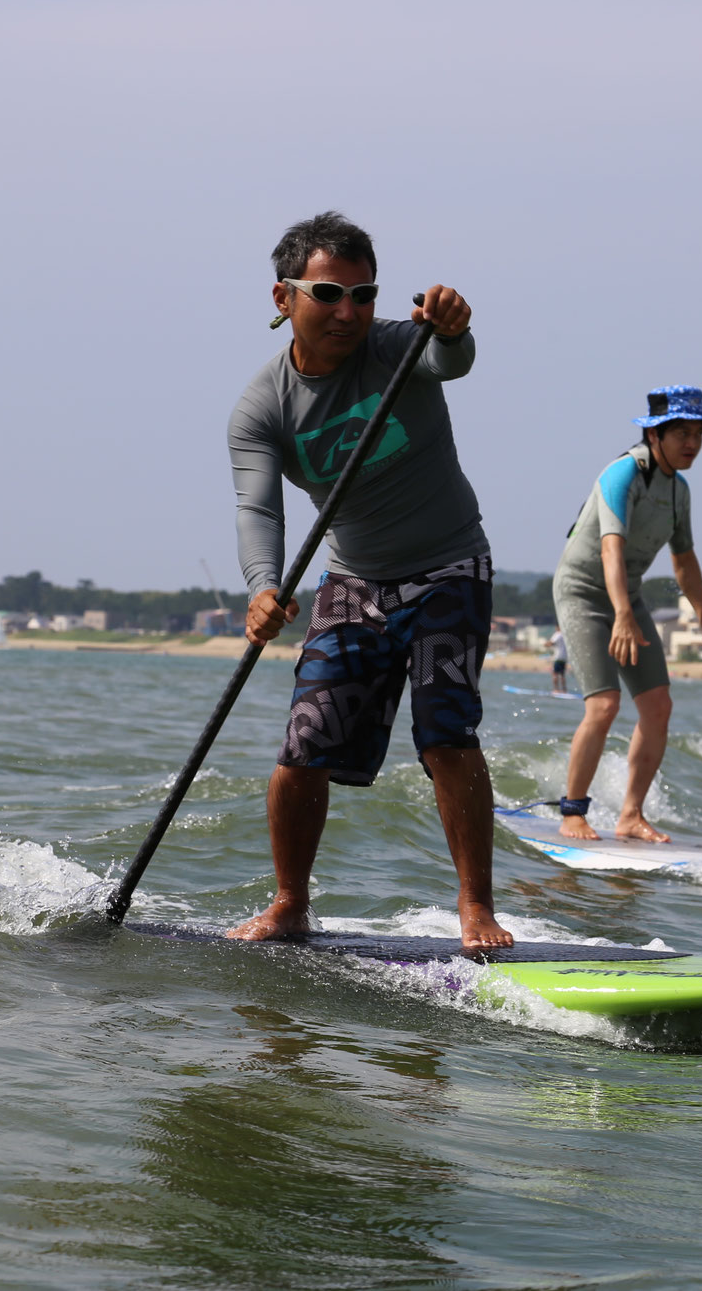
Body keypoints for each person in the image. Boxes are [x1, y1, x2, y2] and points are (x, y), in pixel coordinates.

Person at [224, 211, 509, 952]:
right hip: (354, 581)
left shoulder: (397, 346)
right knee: (302, 747)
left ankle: (475, 907)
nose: (349, 311)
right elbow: (258, 506)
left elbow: (453, 361)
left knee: (446, 732)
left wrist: (447, 327)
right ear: (284, 297)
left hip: (450, 564)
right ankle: (289, 903)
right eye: (328, 294)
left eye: (363, 294)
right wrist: (263, 586)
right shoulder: (262, 406)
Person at [550, 386, 702, 843]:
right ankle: (572, 812)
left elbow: (684, 562)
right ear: (655, 435)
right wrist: (622, 615)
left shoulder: (678, 491)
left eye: (698, 433)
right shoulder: (622, 474)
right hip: (584, 592)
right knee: (605, 704)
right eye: (681, 433)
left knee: (658, 705)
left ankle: (630, 815)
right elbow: (612, 549)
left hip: (627, 596)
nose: (692, 443)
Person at [548, 629, 568, 695]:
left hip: (558, 657)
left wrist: (545, 644)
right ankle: (564, 690)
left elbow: (551, 642)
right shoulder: (565, 634)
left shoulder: (558, 634)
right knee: (562, 675)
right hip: (564, 657)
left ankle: (556, 690)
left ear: (557, 627)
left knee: (555, 674)